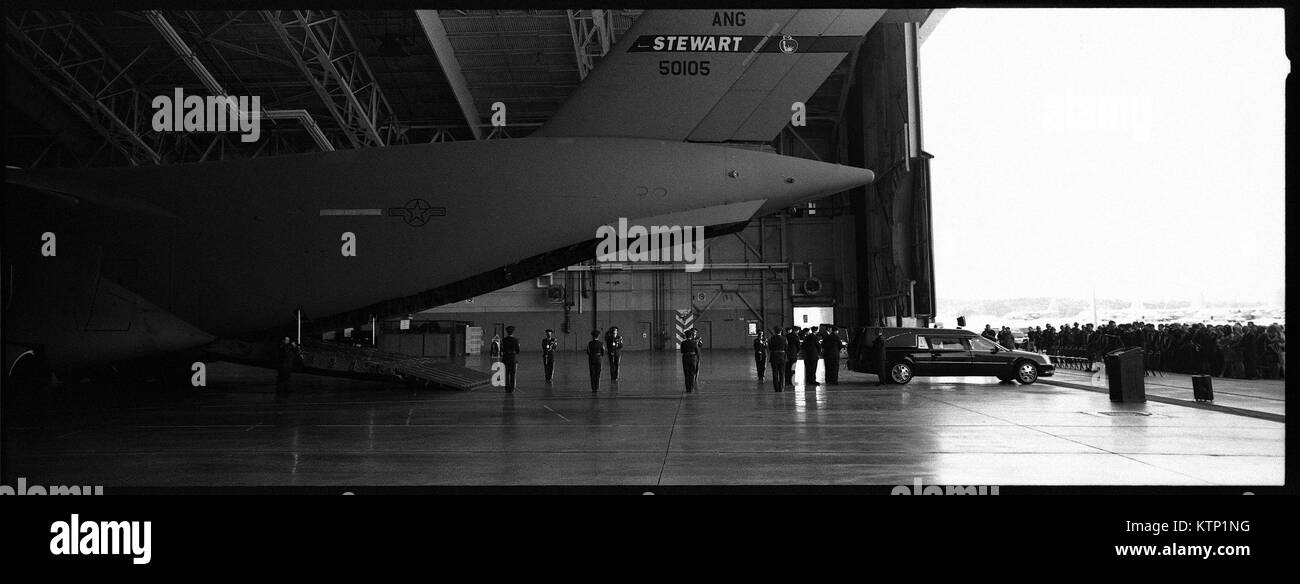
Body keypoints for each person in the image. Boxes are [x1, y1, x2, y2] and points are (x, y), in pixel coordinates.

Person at [680, 328, 703, 393]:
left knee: (686, 373)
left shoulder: (683, 343)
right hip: (693, 358)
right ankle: (691, 388)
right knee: (692, 373)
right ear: (691, 335)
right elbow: (697, 351)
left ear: (686, 336)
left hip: (685, 358)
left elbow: (682, 351)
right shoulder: (694, 343)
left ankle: (687, 389)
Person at [501, 326, 520, 391]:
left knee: (506, 374)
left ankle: (506, 387)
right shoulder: (516, 340)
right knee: (513, 374)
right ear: (513, 332)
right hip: (513, 358)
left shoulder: (504, 340)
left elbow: (502, 349)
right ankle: (512, 388)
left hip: (505, 358)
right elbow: (517, 351)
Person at [768, 327, 787, 392]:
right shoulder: (784, 339)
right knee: (782, 373)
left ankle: (776, 388)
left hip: (774, 357)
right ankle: (781, 388)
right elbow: (786, 348)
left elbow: (770, 348)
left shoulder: (772, 339)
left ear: (775, 332)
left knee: (775, 373)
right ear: (780, 332)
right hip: (782, 356)